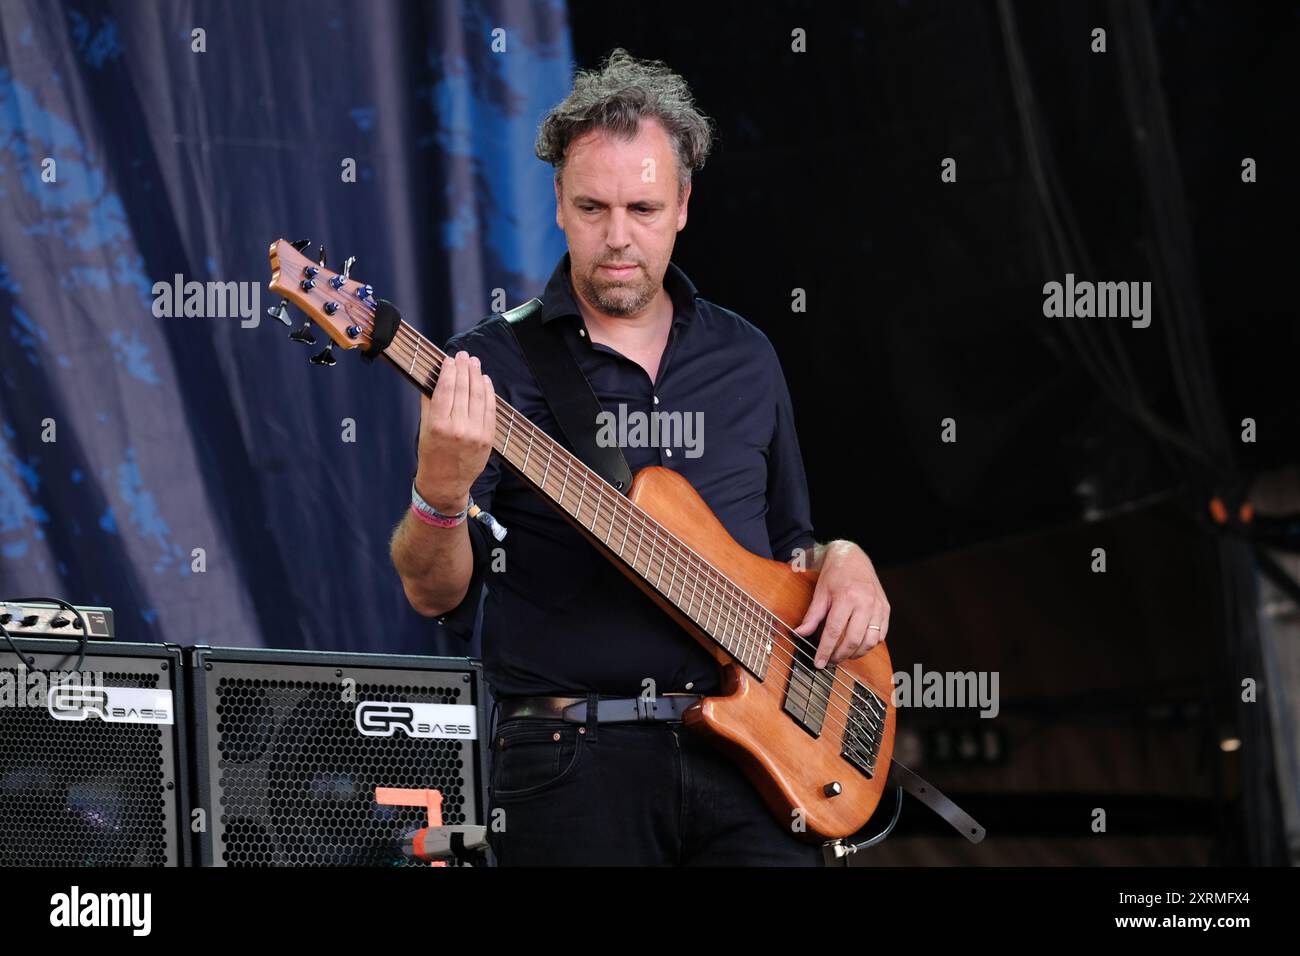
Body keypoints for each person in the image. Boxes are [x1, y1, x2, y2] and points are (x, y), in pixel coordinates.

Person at [390, 48, 891, 866]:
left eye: (643, 208)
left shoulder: (747, 356)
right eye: (592, 208)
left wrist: (847, 556)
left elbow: (791, 542)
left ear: (685, 206)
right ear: (556, 202)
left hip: (753, 766)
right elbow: (432, 591)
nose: (617, 239)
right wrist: (438, 492)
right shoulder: (487, 368)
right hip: (572, 761)